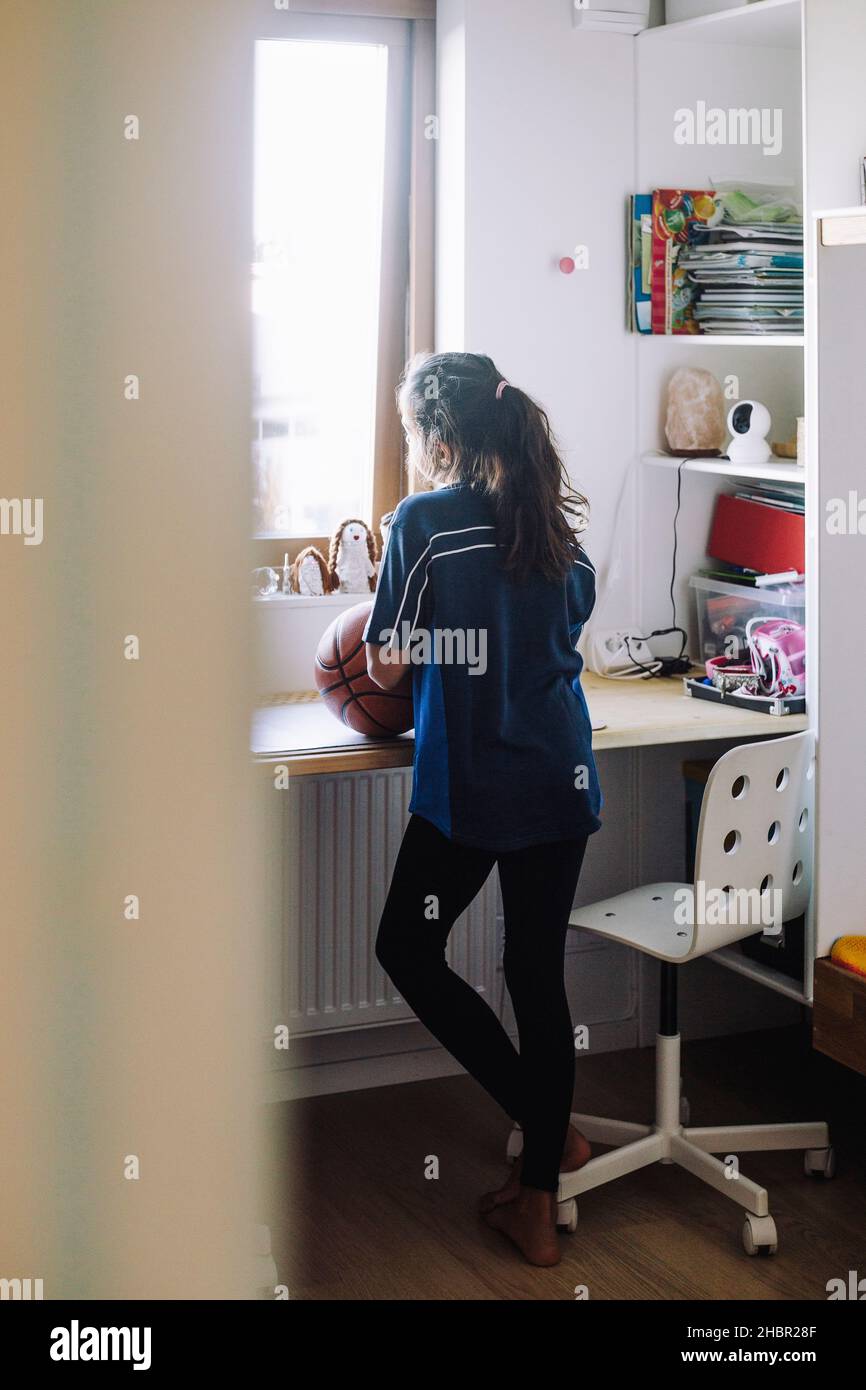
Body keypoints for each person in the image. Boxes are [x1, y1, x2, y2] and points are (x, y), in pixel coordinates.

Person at [363, 351, 602, 1267]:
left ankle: (545, 1130)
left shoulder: (421, 524)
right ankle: (542, 1182)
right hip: (559, 778)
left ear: (435, 437)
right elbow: (561, 626)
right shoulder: (550, 524)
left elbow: (384, 664)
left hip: (471, 790)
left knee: (405, 948)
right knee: (537, 978)